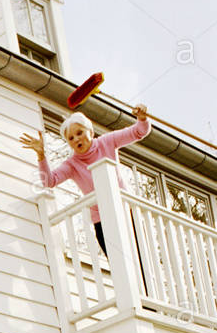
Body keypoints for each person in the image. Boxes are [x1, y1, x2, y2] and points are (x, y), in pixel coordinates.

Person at [20, 106, 151, 254]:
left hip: (126, 212)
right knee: (118, 263)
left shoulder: (107, 141)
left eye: (79, 133)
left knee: (141, 260)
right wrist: (41, 156)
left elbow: (139, 131)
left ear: (90, 131)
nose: (76, 139)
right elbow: (49, 182)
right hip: (102, 222)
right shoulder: (72, 164)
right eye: (71, 138)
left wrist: (142, 118)